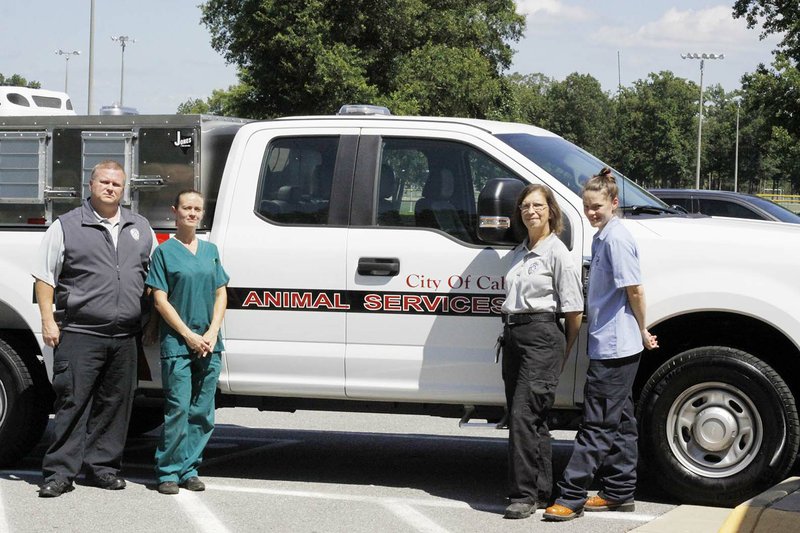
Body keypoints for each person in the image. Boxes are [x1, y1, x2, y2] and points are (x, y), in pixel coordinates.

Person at [33, 160, 155, 498]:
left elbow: (153, 281)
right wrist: (47, 320)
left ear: (124, 188)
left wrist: (151, 323)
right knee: (73, 402)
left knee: (116, 403)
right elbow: (44, 277)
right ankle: (60, 472)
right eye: (104, 182)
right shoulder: (67, 226)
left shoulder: (140, 227)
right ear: (91, 184)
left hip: (125, 335)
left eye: (117, 184)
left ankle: (102, 467)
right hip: (80, 333)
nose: (110, 188)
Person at [544, 168, 659, 522]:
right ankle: (620, 491)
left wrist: (642, 328)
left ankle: (572, 496)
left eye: (597, 206)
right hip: (612, 344)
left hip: (615, 346)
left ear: (614, 202)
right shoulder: (604, 236)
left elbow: (634, 289)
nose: (591, 212)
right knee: (621, 421)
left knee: (595, 424)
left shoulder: (616, 239)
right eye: (586, 206)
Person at [501, 184, 584, 519]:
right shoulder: (519, 252)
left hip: (542, 336)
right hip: (514, 337)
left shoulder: (557, 253)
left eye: (537, 205)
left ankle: (523, 495)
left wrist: (561, 352)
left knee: (524, 415)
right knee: (530, 420)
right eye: (524, 206)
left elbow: (574, 311)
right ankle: (541, 491)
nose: (530, 211)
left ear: (551, 210)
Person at [145, 189, 229, 495]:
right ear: (175, 211)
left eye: (197, 209)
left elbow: (221, 293)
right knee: (178, 408)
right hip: (179, 343)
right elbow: (160, 299)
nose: (192, 213)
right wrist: (188, 334)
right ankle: (168, 471)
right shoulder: (164, 253)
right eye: (186, 208)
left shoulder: (211, 250)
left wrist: (210, 332)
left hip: (209, 344)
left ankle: (190, 469)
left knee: (202, 412)